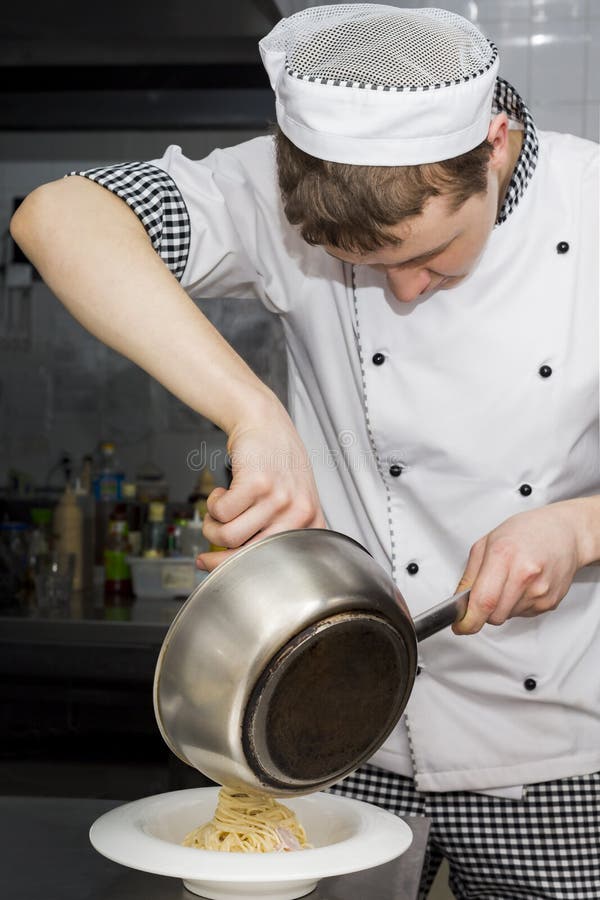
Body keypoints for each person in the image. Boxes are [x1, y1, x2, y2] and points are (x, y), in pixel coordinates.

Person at [10, 5, 599, 897]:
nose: (403, 291)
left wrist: (581, 529)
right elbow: (55, 217)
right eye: (362, 265)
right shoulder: (274, 191)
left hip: (552, 744)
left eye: (433, 254)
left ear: (498, 144)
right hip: (335, 723)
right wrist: (254, 414)